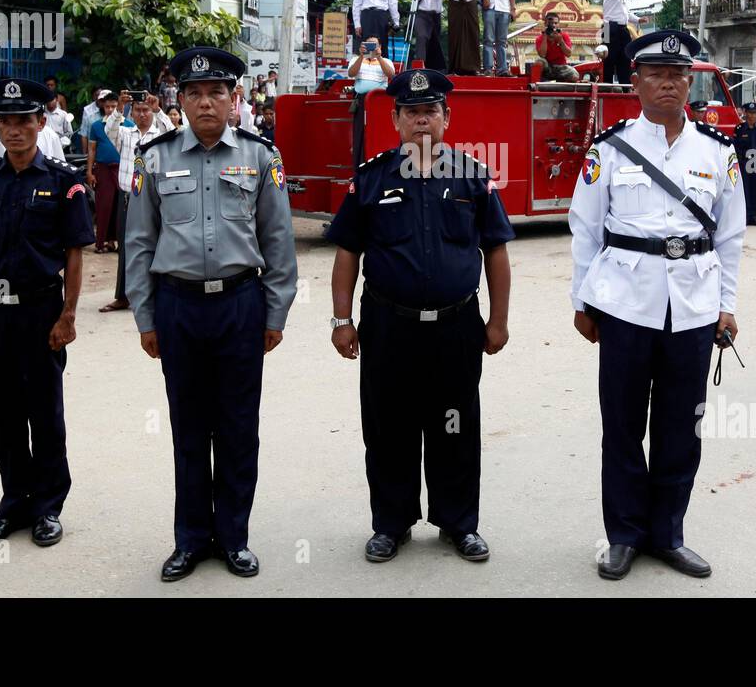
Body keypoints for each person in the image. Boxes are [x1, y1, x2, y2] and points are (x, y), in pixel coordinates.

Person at [569, 28, 744, 581]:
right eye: (657, 74)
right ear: (636, 82)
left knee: (679, 427)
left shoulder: (718, 153)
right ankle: (623, 535)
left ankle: (667, 534)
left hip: (692, 308)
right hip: (623, 304)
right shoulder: (610, 148)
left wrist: (727, 303)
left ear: (690, 81)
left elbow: (731, 237)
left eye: (678, 74)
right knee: (621, 425)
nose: (669, 82)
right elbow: (585, 228)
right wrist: (582, 300)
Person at [124, 46, 298, 583]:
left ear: (234, 99)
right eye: (194, 93)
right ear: (180, 99)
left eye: (216, 92)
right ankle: (191, 539)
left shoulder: (261, 157)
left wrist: (276, 313)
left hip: (240, 305)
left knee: (239, 427)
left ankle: (234, 538)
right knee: (189, 428)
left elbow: (278, 240)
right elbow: (138, 242)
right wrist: (145, 317)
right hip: (178, 307)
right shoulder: (154, 158)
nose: (205, 103)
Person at [327, 69, 512, 563]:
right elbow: (348, 252)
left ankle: (458, 523)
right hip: (390, 327)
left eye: (431, 111)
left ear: (447, 118)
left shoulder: (474, 177)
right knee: (388, 427)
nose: (422, 120)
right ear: (395, 119)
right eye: (412, 112)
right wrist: (341, 320)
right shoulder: (370, 179)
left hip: (456, 326)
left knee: (455, 424)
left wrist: (498, 320)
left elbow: (495, 251)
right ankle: (392, 522)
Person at [0, 77, 92, 549]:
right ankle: (14, 502)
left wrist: (68, 315)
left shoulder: (62, 182)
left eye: (23, 121)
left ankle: (48, 506)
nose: (14, 130)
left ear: (40, 123)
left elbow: (74, 253)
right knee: (4, 412)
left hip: (40, 312)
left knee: (44, 412)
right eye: (6, 121)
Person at [100, 91, 171, 314]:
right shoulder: (125, 133)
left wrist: (159, 109)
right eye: (137, 110)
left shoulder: (160, 135)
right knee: (125, 246)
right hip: (128, 197)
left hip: (154, 199)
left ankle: (155, 294)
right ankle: (122, 296)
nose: (141, 114)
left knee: (156, 244)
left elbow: (173, 132)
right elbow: (107, 130)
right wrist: (120, 108)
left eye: (146, 110)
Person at [601, 0, 659, 85]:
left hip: (622, 27)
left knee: (625, 58)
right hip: (607, 28)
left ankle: (625, 87)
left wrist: (638, 19)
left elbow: (626, 13)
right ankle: (606, 87)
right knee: (608, 59)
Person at [348, 36, 397, 168]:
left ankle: (380, 164)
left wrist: (379, 57)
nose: (372, 47)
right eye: (368, 45)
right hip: (362, 100)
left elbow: (391, 74)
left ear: (380, 47)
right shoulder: (356, 59)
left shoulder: (386, 60)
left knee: (379, 132)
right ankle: (360, 166)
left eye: (374, 45)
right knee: (360, 134)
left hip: (379, 102)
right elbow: (351, 73)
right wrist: (361, 56)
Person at [85, 91, 121, 252]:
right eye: (107, 106)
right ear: (103, 107)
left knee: (119, 207)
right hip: (103, 168)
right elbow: (92, 150)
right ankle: (100, 243)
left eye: (114, 106)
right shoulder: (96, 126)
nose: (111, 109)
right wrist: (89, 171)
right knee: (103, 206)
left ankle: (116, 242)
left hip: (121, 170)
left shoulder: (127, 125)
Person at [733, 101, 756, 224]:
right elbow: (735, 148)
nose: (752, 116)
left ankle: (753, 215)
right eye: (750, 113)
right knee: (744, 190)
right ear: (745, 114)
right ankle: (744, 215)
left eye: (754, 113)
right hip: (743, 163)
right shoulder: (740, 129)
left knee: (755, 190)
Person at [536, 12, 579, 81]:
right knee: (539, 62)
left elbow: (568, 54)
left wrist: (560, 41)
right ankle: (537, 84)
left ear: (558, 24)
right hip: (548, 68)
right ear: (546, 24)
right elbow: (542, 55)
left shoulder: (564, 36)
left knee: (574, 74)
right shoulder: (540, 38)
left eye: (555, 23)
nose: (553, 25)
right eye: (551, 23)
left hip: (561, 68)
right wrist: (545, 37)